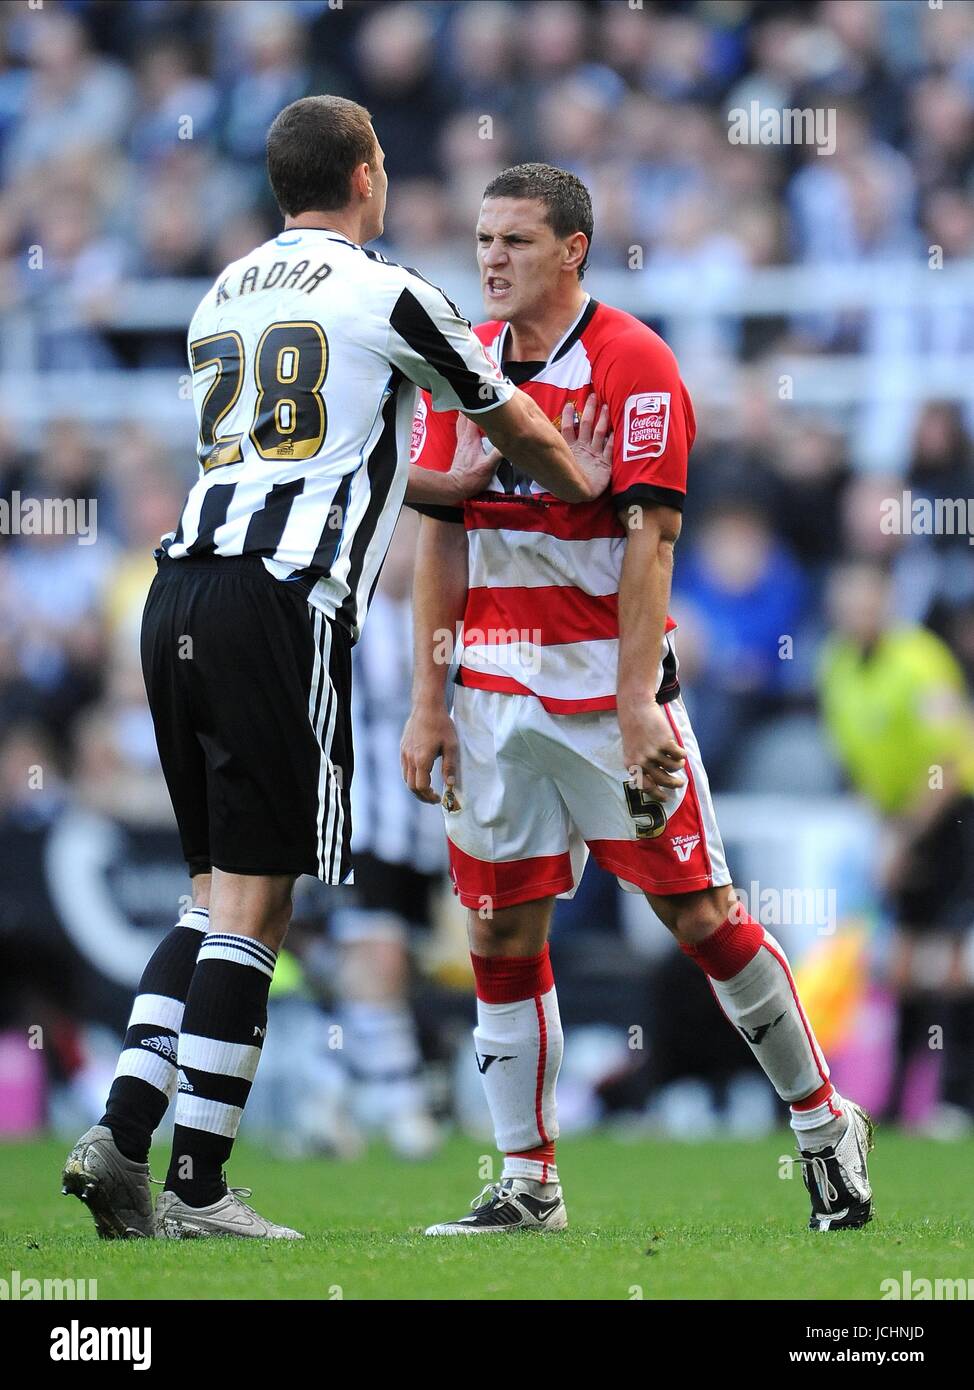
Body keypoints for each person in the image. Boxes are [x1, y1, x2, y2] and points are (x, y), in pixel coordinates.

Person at [61, 98, 609, 1241]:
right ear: (366, 177)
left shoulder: (223, 291)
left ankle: (122, 1128)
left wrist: (447, 494)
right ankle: (198, 1184)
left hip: (175, 596)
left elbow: (325, 457)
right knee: (257, 905)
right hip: (279, 603)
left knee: (211, 892)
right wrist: (588, 484)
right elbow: (506, 414)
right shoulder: (387, 288)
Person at [402, 163, 874, 1235]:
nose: (489, 260)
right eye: (481, 240)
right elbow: (437, 534)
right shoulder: (463, 364)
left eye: (514, 241)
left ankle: (821, 1123)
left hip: (598, 692)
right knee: (499, 933)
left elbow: (650, 542)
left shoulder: (634, 361)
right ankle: (528, 1182)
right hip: (487, 695)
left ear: (571, 250)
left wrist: (632, 706)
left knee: (698, 913)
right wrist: (426, 699)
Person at [819, 560, 974, 1132]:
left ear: (886, 601)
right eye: (848, 599)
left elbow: (950, 762)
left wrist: (907, 835)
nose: (857, 610)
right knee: (903, 962)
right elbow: (858, 759)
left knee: (955, 960)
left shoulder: (919, 660)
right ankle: (898, 1102)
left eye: (867, 598)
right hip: (899, 822)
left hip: (954, 819)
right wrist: (887, 833)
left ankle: (957, 1097)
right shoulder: (834, 664)